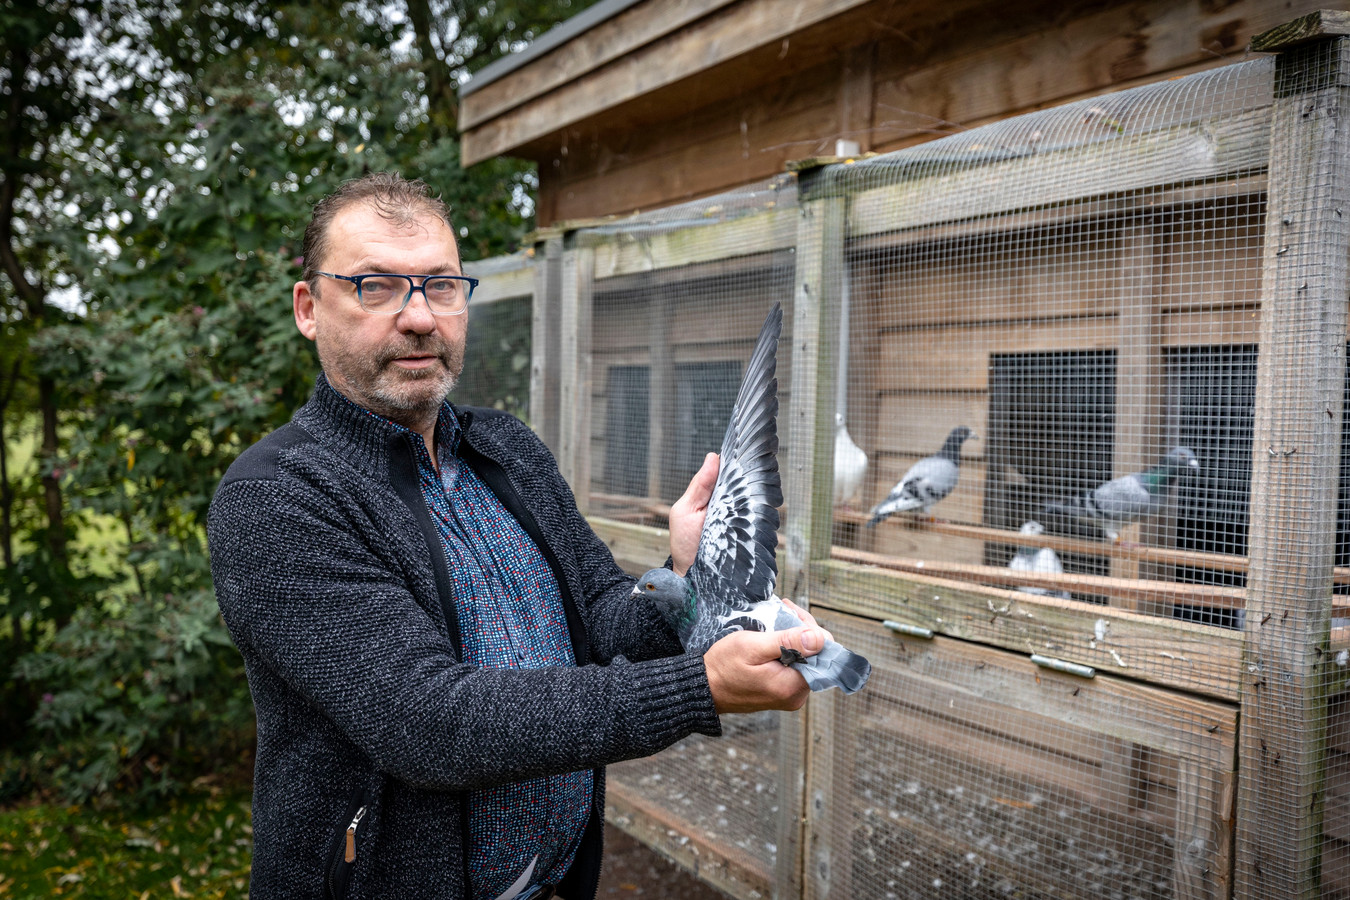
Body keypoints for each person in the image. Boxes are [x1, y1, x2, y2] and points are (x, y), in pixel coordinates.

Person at [207, 172, 828, 900]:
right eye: (376, 285)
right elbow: (431, 723)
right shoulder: (278, 497)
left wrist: (682, 578)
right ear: (310, 308)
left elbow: (603, 621)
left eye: (441, 286)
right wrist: (700, 686)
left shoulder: (508, 449)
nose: (419, 318)